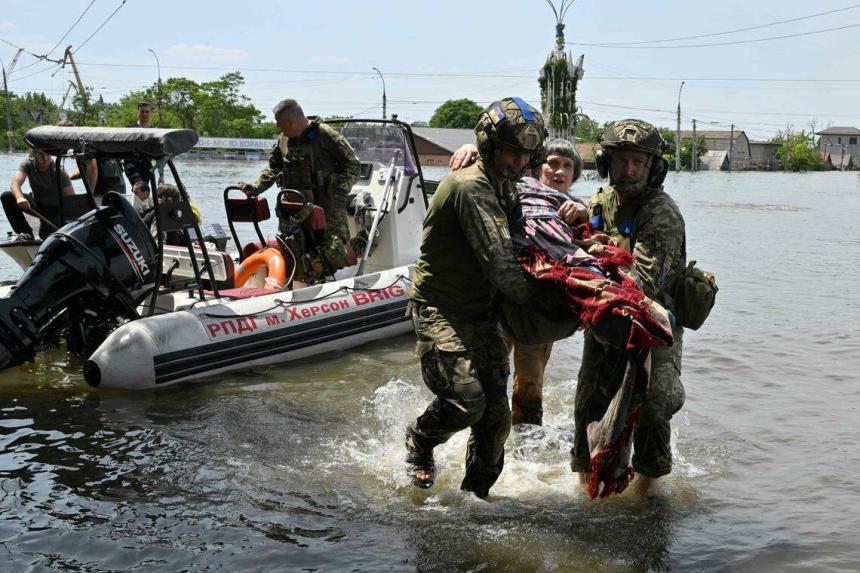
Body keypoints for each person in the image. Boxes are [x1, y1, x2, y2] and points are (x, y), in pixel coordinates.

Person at [405, 96, 552, 499]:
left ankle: (475, 498)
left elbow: (529, 234)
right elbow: (502, 266)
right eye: (511, 151)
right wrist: (555, 304)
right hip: (441, 308)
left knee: (497, 418)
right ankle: (420, 439)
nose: (520, 161)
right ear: (490, 146)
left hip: (481, 312)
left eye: (526, 154)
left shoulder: (506, 185)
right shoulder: (473, 187)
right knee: (468, 400)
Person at [571, 119, 686, 497]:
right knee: (588, 404)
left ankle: (649, 495)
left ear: (654, 168)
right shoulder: (599, 202)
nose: (630, 170)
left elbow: (643, 283)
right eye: (621, 161)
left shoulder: (661, 212)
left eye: (639, 161)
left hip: (654, 326)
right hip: (606, 322)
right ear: (607, 164)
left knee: (655, 405)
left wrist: (595, 251)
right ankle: (589, 488)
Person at [448, 137, 587, 426]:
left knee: (530, 384)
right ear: (536, 167)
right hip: (498, 302)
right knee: (486, 375)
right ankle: (482, 434)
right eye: (552, 163)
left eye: (567, 166)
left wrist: (585, 216)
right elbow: (480, 181)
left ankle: (527, 441)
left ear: (574, 175)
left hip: (539, 311)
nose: (559, 172)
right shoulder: (512, 190)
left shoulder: (575, 208)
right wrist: (472, 150)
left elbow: (595, 250)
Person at [237, 99, 361, 282]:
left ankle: (355, 253)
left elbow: (353, 165)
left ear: (291, 122)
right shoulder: (284, 140)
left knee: (333, 251)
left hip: (328, 206)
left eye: (280, 124)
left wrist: (340, 193)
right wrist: (255, 188)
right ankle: (300, 284)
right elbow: (274, 168)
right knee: (294, 248)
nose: (278, 128)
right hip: (295, 208)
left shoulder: (325, 135)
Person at [2, 149, 75, 240]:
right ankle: (26, 233)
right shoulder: (28, 164)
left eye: (48, 154)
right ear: (34, 154)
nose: (45, 158)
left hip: (55, 210)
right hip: (37, 205)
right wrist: (19, 197)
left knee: (45, 235)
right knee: (7, 196)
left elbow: (71, 199)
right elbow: (15, 183)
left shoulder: (59, 171)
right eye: (41, 154)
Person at [123, 102, 155, 206]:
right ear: (138, 113)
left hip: (147, 166)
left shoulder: (154, 131)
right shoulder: (129, 129)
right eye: (142, 111)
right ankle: (138, 210)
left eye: (147, 112)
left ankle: (143, 210)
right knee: (139, 189)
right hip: (131, 165)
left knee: (145, 191)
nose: (144, 114)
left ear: (151, 113)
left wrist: (162, 175)